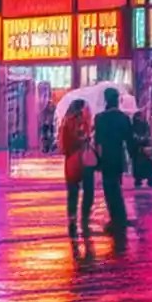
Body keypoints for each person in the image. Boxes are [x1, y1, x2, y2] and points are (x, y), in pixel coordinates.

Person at [94, 88, 132, 233]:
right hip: (118, 156)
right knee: (116, 186)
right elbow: (129, 140)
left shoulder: (100, 118)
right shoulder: (123, 118)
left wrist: (97, 161)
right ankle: (120, 217)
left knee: (109, 189)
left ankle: (116, 218)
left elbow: (97, 142)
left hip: (106, 157)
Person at [59, 99, 94, 237]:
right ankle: (80, 218)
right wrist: (81, 140)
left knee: (74, 193)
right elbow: (67, 143)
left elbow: (64, 145)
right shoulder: (71, 122)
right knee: (83, 191)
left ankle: (76, 218)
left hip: (75, 161)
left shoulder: (75, 121)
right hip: (79, 160)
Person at [129, 111, 152, 188]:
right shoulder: (139, 125)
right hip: (141, 148)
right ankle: (147, 179)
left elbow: (146, 133)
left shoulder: (136, 125)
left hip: (141, 148)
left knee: (143, 164)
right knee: (145, 163)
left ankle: (143, 179)